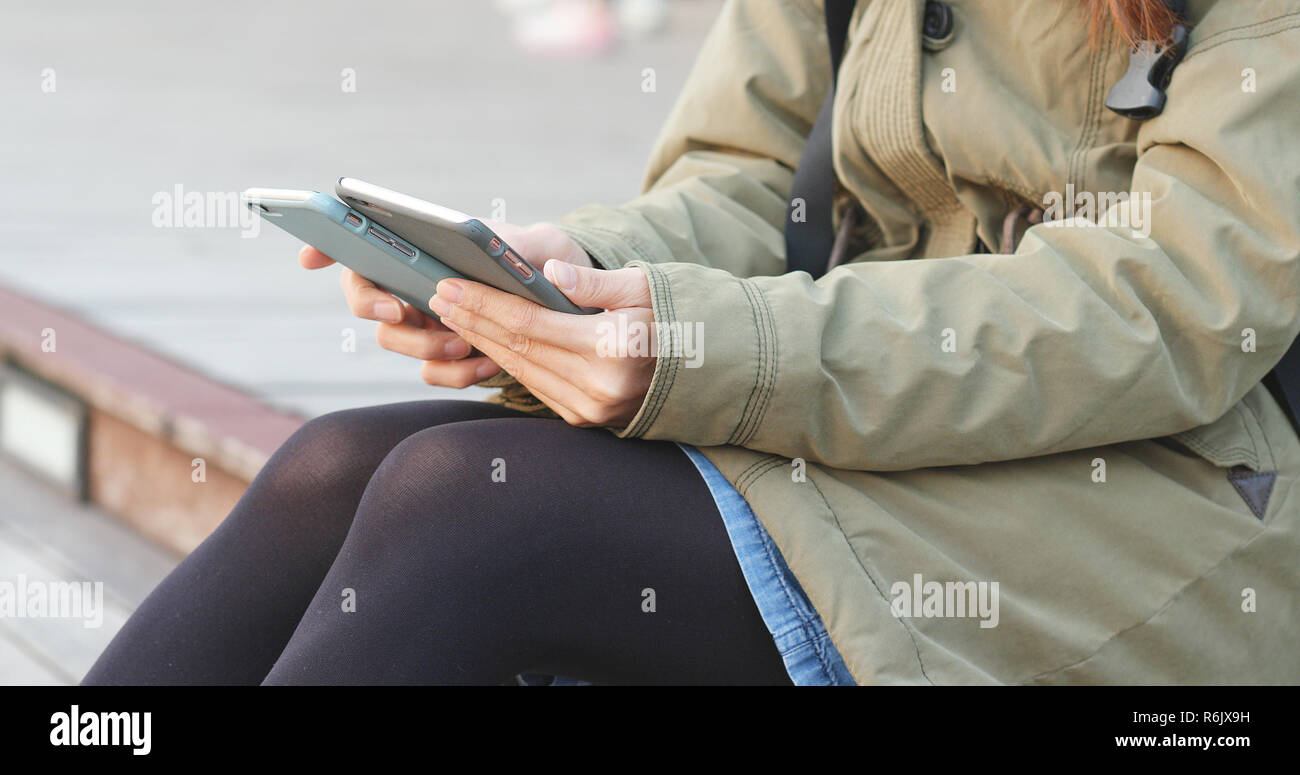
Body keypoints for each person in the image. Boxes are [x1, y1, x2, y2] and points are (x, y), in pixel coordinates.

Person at [85, 0, 1300, 685]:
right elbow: (757, 186)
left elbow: (1176, 305)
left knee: (473, 512)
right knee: (333, 463)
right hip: (887, 411)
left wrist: (710, 345)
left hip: (1170, 493)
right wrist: (562, 274)